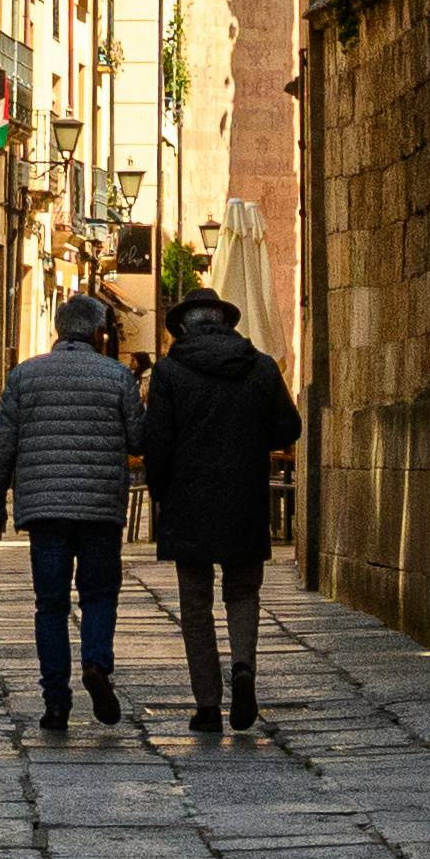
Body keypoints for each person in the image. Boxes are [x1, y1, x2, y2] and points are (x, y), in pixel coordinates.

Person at [0, 287, 148, 734]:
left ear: (59, 330)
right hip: (99, 510)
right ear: (98, 332)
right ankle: (96, 664)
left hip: (45, 511)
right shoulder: (118, 378)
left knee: (50, 606)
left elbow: (1, 447)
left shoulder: (24, 377)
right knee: (98, 595)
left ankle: (56, 703)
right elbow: (139, 441)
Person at [145, 281, 301, 737]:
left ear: (183, 329)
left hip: (188, 500)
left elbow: (157, 440)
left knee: (195, 605)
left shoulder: (170, 372)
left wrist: (160, 490)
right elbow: (288, 428)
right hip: (245, 497)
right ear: (227, 324)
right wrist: (253, 437)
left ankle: (208, 705)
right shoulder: (261, 368)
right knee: (243, 592)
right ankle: (244, 668)